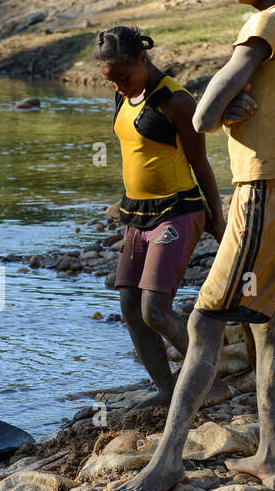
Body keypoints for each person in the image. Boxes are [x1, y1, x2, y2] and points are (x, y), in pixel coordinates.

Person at [114, 0, 275, 491]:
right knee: (266, 317)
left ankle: (169, 459)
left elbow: (202, 115)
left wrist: (221, 109)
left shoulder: (262, 26)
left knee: (203, 321)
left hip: (262, 187)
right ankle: (273, 454)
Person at [94, 25, 230, 408]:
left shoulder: (176, 101)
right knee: (129, 308)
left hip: (178, 211)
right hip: (138, 215)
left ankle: (212, 383)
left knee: (155, 310)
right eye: (110, 80)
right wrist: (122, 87)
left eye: (124, 77)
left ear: (143, 58)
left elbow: (201, 164)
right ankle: (168, 389)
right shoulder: (123, 95)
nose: (118, 85)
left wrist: (217, 221)